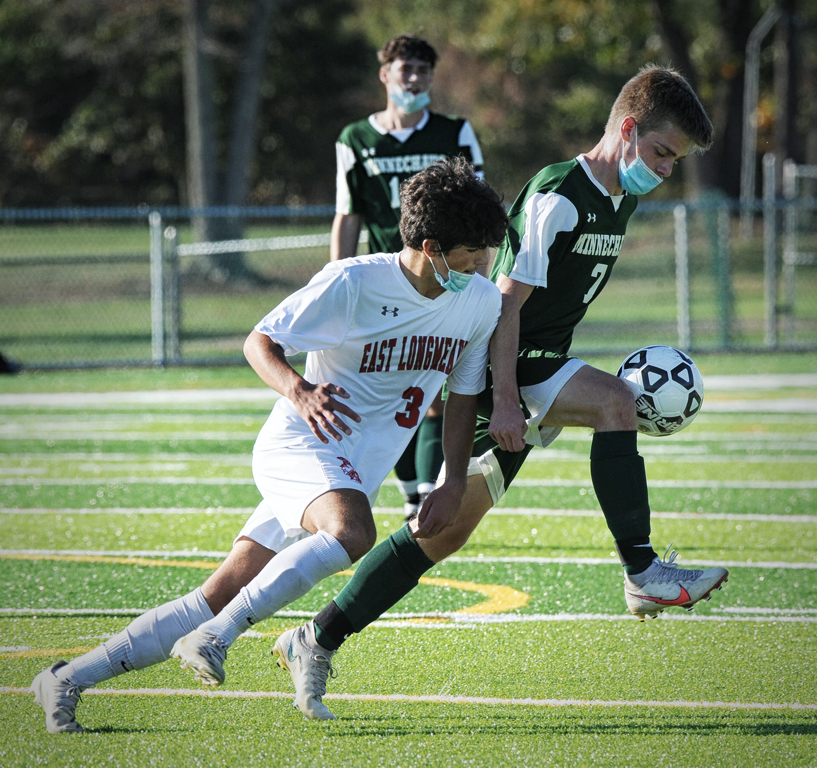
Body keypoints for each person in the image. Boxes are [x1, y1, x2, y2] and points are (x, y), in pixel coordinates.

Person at [275, 65, 731, 720]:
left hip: (532, 367)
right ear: (628, 129)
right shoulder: (559, 194)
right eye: (661, 152)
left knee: (441, 533)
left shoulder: (619, 198)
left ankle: (313, 639)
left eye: (674, 161)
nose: (664, 170)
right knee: (616, 402)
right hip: (502, 366)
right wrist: (510, 398)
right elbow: (506, 305)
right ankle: (642, 572)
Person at [29, 156, 509, 733]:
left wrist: (452, 480)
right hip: (300, 445)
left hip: (353, 468)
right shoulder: (354, 282)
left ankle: (66, 678)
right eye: (473, 251)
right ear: (431, 247)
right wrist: (300, 391)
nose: (483, 263)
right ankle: (218, 637)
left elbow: (462, 396)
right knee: (352, 533)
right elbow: (259, 342)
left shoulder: (479, 301)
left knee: (217, 592)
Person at [332, 34, 486, 519]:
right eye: (406, 68)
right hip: (383, 282)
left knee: (434, 388)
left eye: (423, 70)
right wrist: (336, 279)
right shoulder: (356, 139)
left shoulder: (455, 132)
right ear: (385, 74)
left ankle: (422, 497)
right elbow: (348, 215)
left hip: (441, 280)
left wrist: (479, 275)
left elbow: (479, 212)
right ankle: (410, 492)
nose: (415, 78)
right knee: (386, 391)